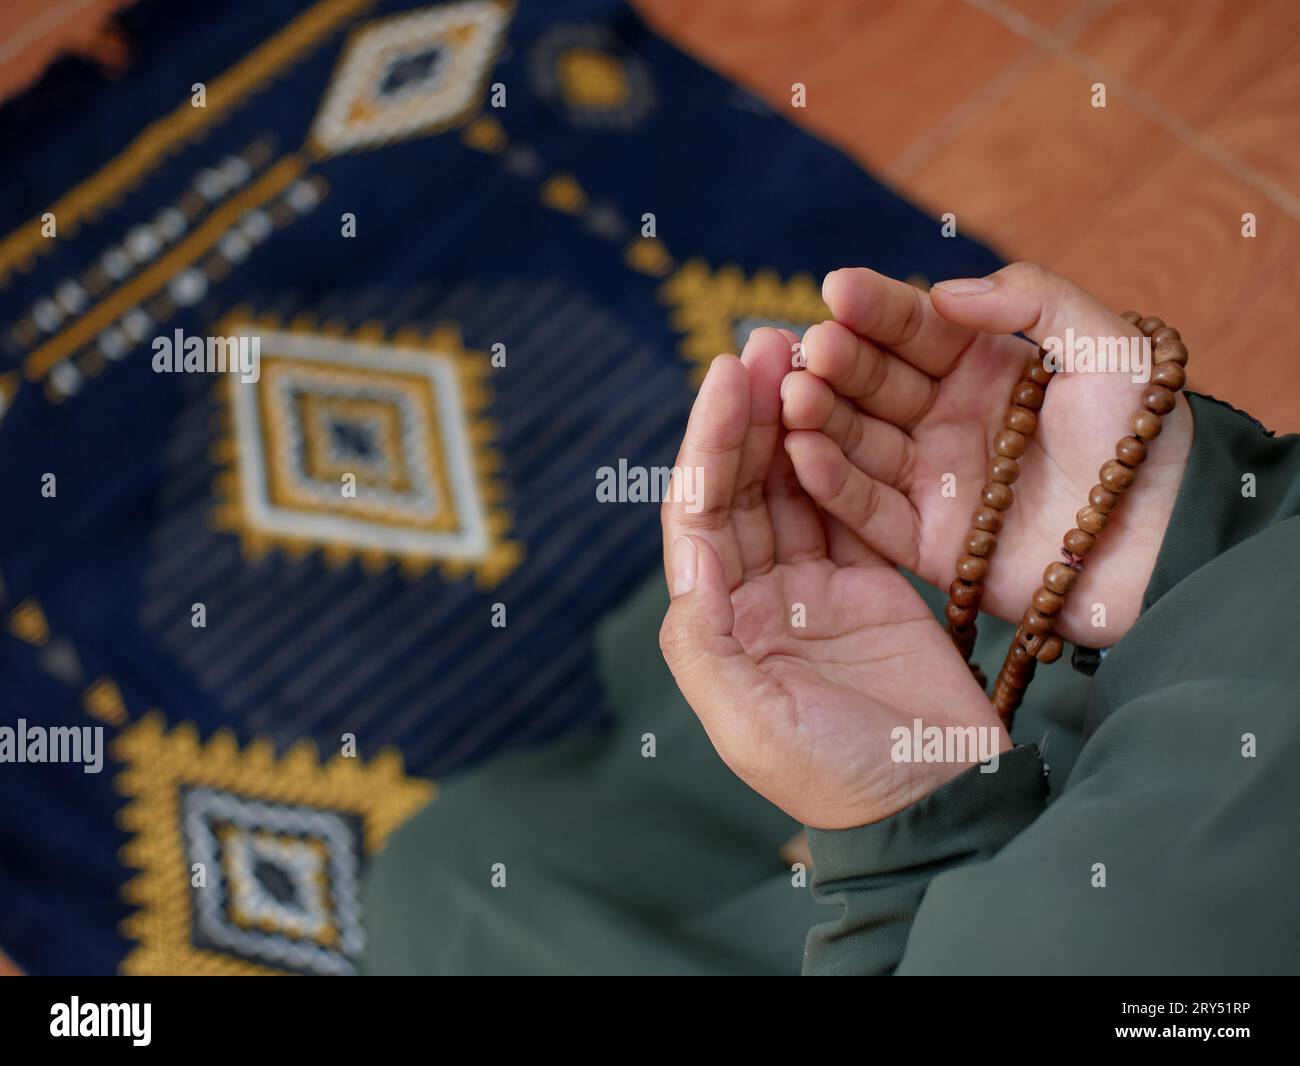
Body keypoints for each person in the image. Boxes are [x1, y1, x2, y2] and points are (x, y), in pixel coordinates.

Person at [363, 263, 1300, 975]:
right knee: (869, 533)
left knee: (449, 878)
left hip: (954, 888)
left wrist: (900, 850)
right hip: (1173, 664)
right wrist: (1188, 527)